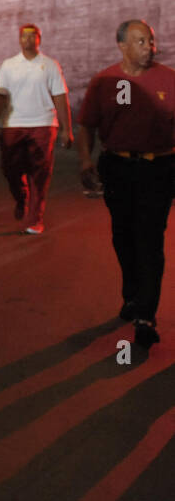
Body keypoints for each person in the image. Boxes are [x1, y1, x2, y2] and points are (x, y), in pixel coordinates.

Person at [78, 20, 175, 349]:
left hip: (158, 168)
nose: (149, 47)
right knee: (123, 235)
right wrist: (85, 161)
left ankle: (145, 316)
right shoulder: (105, 81)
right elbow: (87, 125)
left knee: (150, 238)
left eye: (150, 40)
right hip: (117, 167)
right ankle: (132, 294)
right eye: (140, 41)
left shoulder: (168, 80)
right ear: (121, 45)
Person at [0, 24, 73, 233]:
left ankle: (35, 218)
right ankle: (21, 198)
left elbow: (60, 96)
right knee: (10, 170)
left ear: (39, 39)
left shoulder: (50, 65)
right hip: (13, 124)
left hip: (43, 124)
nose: (28, 40)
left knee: (40, 173)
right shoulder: (9, 65)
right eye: (24, 36)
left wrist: (66, 129)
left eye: (32, 36)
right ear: (19, 40)